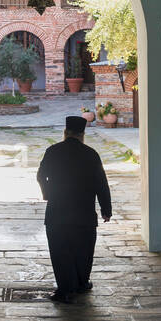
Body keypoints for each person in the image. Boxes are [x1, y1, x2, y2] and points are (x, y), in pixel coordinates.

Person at [36, 115, 112, 303]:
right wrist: (106, 209)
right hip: (84, 212)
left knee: (60, 250)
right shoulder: (91, 154)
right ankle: (81, 283)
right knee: (84, 250)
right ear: (82, 135)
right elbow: (101, 183)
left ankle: (65, 288)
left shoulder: (53, 151)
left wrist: (48, 193)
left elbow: (40, 175)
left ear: (65, 132)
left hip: (57, 211)